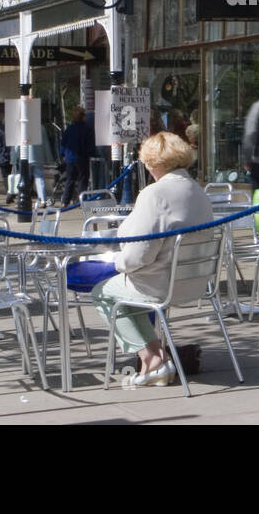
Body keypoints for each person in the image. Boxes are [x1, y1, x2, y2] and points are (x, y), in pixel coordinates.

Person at [91, 132, 212, 386]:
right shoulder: (198, 191)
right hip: (196, 282)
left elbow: (138, 255)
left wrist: (114, 263)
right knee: (125, 293)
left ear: (152, 163)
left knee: (103, 292)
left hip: (162, 283)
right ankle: (158, 357)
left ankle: (152, 358)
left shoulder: (154, 194)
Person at [58, 106, 94, 205]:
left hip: (70, 158)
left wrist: (62, 154)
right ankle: (81, 201)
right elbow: (89, 145)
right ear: (83, 116)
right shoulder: (87, 129)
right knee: (83, 179)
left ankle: (65, 201)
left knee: (70, 180)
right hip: (82, 158)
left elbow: (63, 143)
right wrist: (90, 153)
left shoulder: (69, 129)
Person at [0, 117, 13, 204]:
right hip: (5, 157)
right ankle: (9, 193)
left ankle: (9, 193)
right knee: (7, 176)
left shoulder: (0, 131)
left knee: (7, 176)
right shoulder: (2, 131)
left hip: (5, 157)